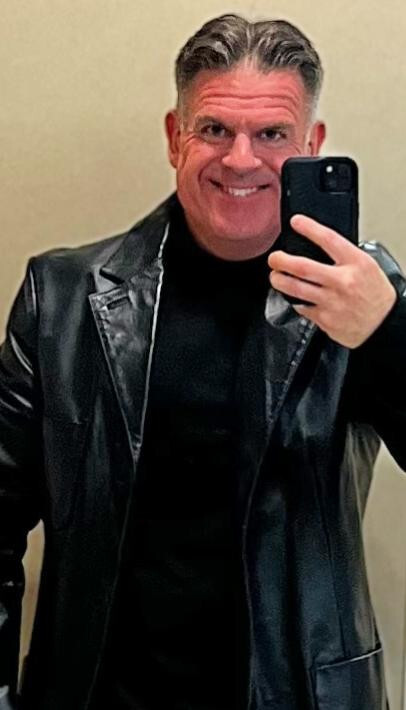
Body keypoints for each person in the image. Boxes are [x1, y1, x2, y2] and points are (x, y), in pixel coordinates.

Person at [0, 12, 404, 710]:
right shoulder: (62, 299)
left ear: (312, 146)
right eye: (215, 129)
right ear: (173, 138)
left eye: (272, 134)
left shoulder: (361, 298)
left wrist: (389, 331)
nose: (241, 160)